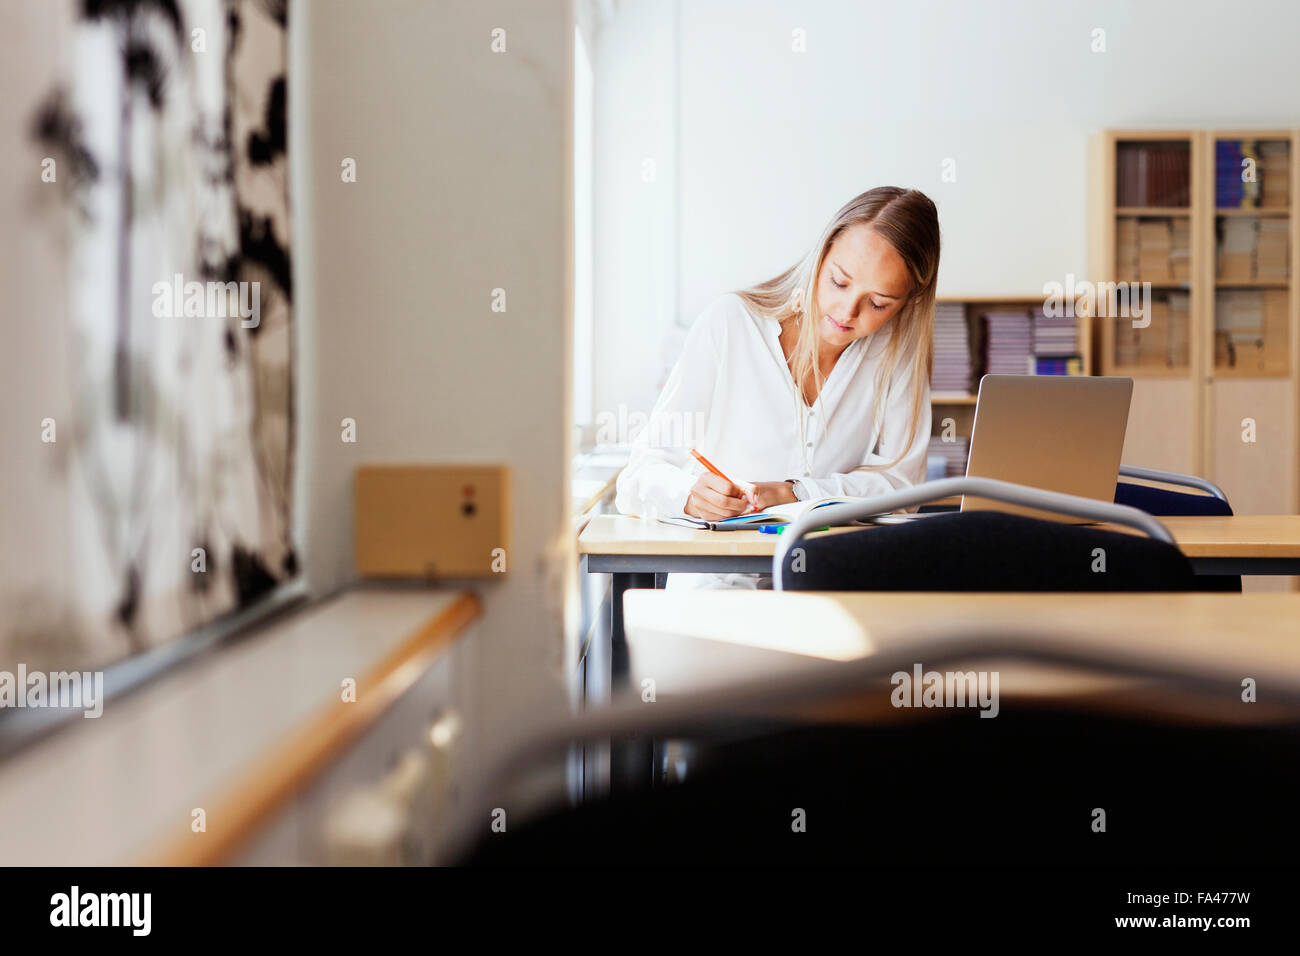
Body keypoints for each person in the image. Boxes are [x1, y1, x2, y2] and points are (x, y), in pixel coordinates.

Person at [614, 186, 939, 589]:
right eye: (839, 282)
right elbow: (638, 476)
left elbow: (902, 488)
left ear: (907, 303)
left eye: (878, 303)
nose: (846, 311)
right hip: (718, 592)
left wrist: (796, 493)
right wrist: (688, 495)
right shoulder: (730, 324)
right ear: (822, 255)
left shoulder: (895, 353)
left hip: (834, 586)